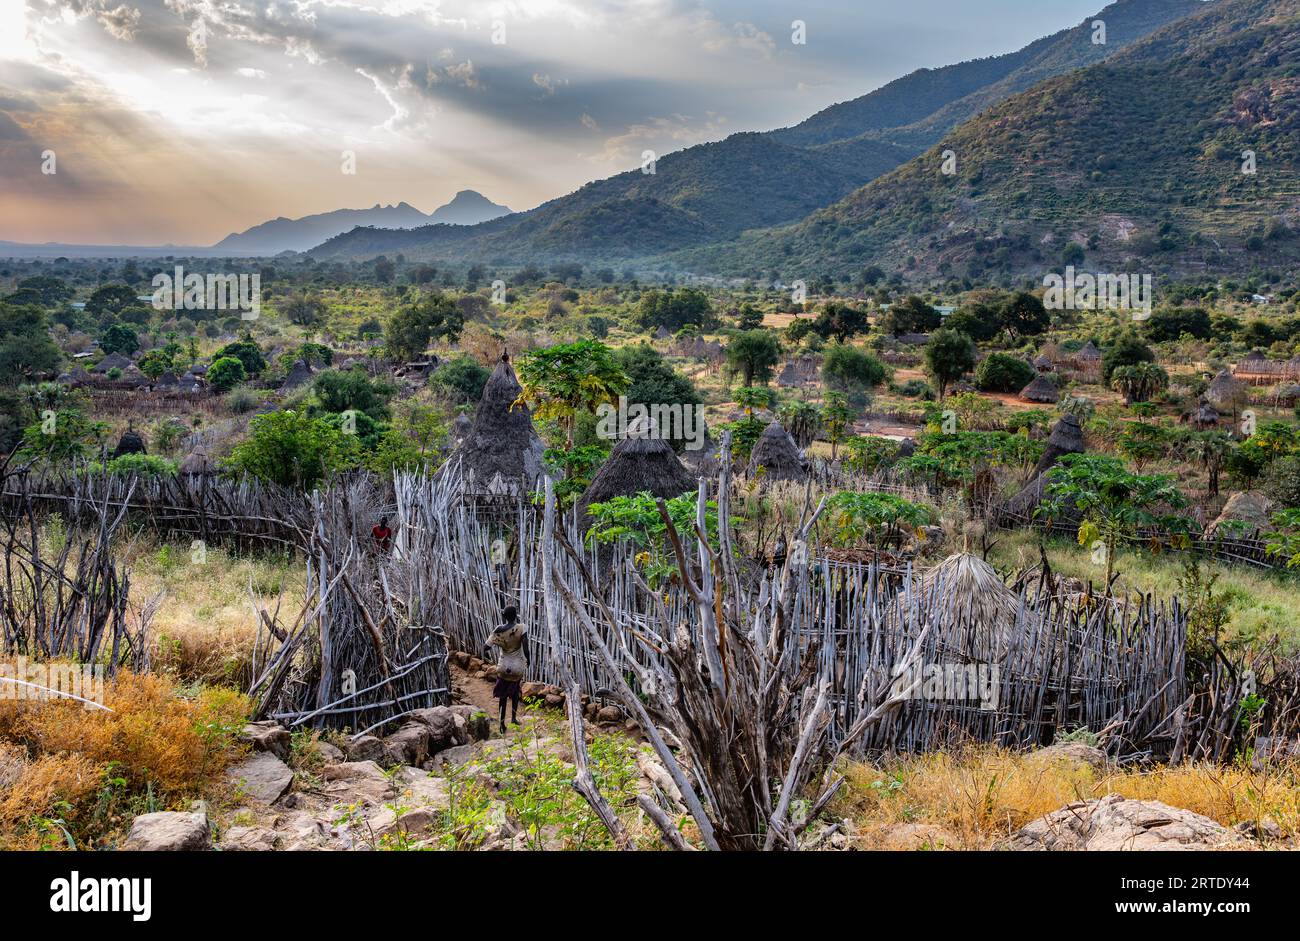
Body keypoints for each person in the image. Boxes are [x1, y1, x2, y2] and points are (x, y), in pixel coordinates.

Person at [486, 605, 529, 733]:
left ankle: (501, 724)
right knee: (515, 692)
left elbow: (486, 647)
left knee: (502, 697)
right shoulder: (522, 628)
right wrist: (529, 659)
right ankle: (514, 718)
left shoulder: (498, 630)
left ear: (503, 616)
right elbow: (526, 648)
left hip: (503, 667)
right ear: (516, 615)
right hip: (517, 667)